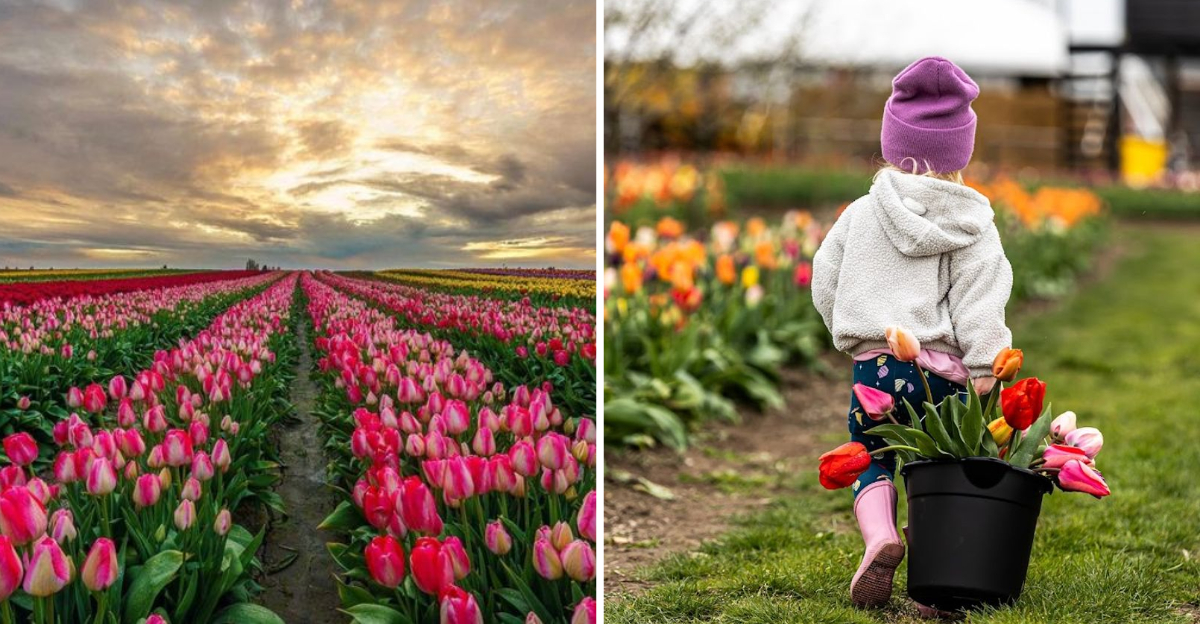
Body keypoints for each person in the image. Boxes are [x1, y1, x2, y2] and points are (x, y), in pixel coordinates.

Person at [811, 56, 1013, 611]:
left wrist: (850, 334)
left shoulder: (861, 213)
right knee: (938, 471)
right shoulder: (973, 225)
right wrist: (983, 367)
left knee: (871, 452)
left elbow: (824, 277)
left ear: (891, 142)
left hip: (875, 371)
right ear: (961, 151)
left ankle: (880, 536)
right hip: (941, 377)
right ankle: (933, 584)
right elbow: (982, 297)